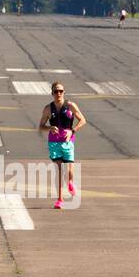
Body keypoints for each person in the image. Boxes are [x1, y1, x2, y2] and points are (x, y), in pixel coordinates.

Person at [38, 81, 86, 210]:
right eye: (56, 91)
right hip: (54, 142)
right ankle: (60, 199)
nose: (58, 93)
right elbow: (41, 126)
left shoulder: (70, 106)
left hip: (68, 141)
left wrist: (73, 131)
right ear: (52, 93)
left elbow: (83, 120)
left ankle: (70, 182)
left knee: (69, 171)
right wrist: (49, 128)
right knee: (59, 171)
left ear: (64, 92)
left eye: (61, 91)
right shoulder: (48, 109)